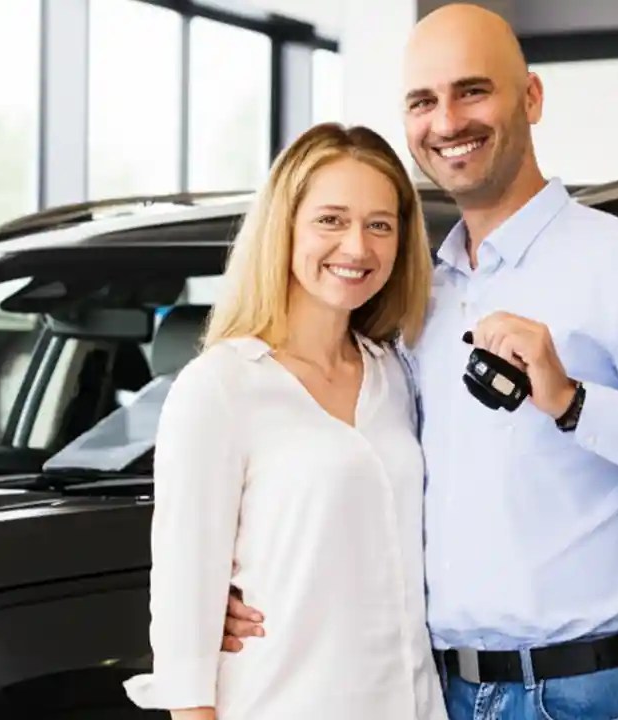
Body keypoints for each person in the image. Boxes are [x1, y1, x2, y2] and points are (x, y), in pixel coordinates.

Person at [222, 4, 618, 719]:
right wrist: (250, 583)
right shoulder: (418, 295)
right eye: (423, 101)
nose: (447, 121)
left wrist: (574, 403)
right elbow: (358, 474)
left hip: (592, 697)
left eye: (472, 91)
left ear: (531, 98)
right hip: (439, 692)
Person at [121, 122, 449, 720]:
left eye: (379, 225)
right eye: (331, 220)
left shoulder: (396, 375)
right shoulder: (221, 387)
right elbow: (184, 603)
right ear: (285, 226)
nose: (357, 247)